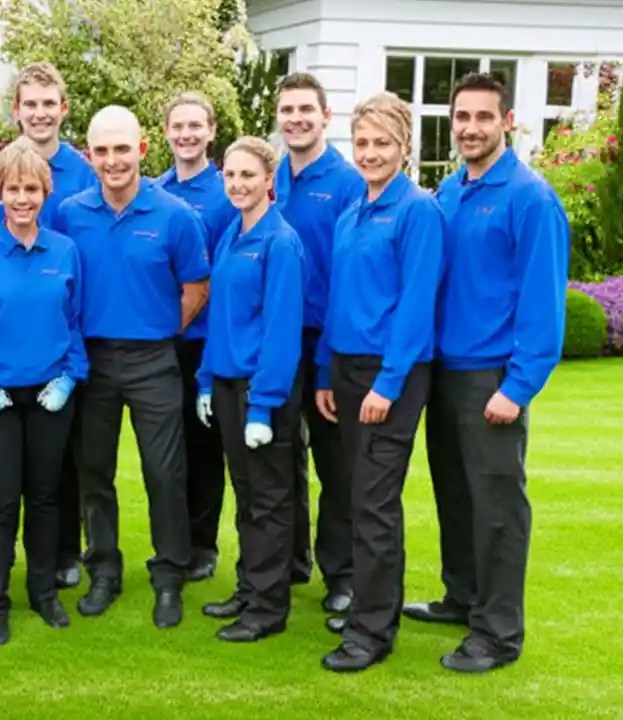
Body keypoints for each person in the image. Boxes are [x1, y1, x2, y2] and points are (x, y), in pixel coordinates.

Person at [404, 72, 569, 673]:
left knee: (498, 506)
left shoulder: (530, 198)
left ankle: (498, 634)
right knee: (455, 494)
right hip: (444, 371)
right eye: (461, 117)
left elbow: (542, 301)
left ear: (506, 121)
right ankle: (462, 596)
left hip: (492, 378)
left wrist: (518, 386)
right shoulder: (448, 192)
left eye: (482, 117)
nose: (470, 128)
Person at [53, 105, 211, 629]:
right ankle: (103, 570)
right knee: (93, 472)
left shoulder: (175, 216)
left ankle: (169, 576)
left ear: (143, 150)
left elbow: (196, 289)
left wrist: (161, 326)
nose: (113, 160)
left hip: (153, 359)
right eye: (102, 151)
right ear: (89, 155)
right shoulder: (69, 213)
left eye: (123, 149)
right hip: (92, 361)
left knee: (165, 473)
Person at [314, 91, 444, 672]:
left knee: (374, 502)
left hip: (390, 374)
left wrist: (388, 384)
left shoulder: (418, 211)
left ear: (404, 147)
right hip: (343, 370)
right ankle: (371, 603)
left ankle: (371, 632)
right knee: (352, 494)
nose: (370, 153)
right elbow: (338, 299)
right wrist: (324, 370)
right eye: (362, 143)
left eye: (382, 143)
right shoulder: (350, 214)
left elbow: (417, 305)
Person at [0, 61, 97, 589]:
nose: (39, 113)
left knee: (58, 465)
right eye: (29, 104)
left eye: (48, 103)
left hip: (59, 341)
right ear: (16, 110)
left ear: (62, 109)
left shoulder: (83, 172)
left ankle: (60, 556)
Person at [0, 138, 88, 645]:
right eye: (13, 189)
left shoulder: (65, 251)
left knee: (47, 498)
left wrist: (71, 376)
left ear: (46, 192)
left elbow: (75, 324)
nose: (23, 198)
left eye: (32, 188)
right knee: (0, 500)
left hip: (50, 393)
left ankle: (44, 593)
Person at [194, 136, 305, 642]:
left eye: (248, 176)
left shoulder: (280, 242)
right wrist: (204, 379)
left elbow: (281, 330)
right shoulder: (231, 235)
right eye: (231, 176)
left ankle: (267, 607)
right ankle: (248, 587)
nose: (238, 184)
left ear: (269, 181)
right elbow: (220, 318)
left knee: (270, 499)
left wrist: (263, 405)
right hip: (228, 383)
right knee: (247, 494)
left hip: (264, 392)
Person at [272, 72, 364, 613]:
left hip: (327, 340)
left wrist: (328, 363)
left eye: (306, 109)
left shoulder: (347, 182)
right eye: (287, 110)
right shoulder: (272, 176)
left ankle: (344, 574)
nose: (296, 118)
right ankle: (288, 560)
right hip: (278, 340)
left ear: (325, 115)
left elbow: (347, 279)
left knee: (336, 462)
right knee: (281, 456)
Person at [153, 91, 234, 583]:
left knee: (205, 445)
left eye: (195, 126)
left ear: (211, 131)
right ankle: (174, 542)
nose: (186, 134)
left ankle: (202, 544)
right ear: (165, 132)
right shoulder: (155, 189)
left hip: (205, 340)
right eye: (177, 125)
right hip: (162, 339)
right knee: (169, 446)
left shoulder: (226, 192)